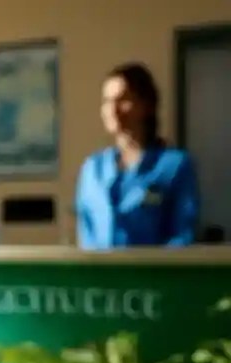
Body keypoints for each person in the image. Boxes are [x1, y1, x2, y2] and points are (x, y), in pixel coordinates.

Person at [76, 63, 201, 249]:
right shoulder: (93, 169)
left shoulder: (174, 166)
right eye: (107, 101)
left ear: (146, 105)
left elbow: (182, 235)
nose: (113, 109)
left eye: (123, 100)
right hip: (99, 267)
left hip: (152, 267)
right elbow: (86, 234)